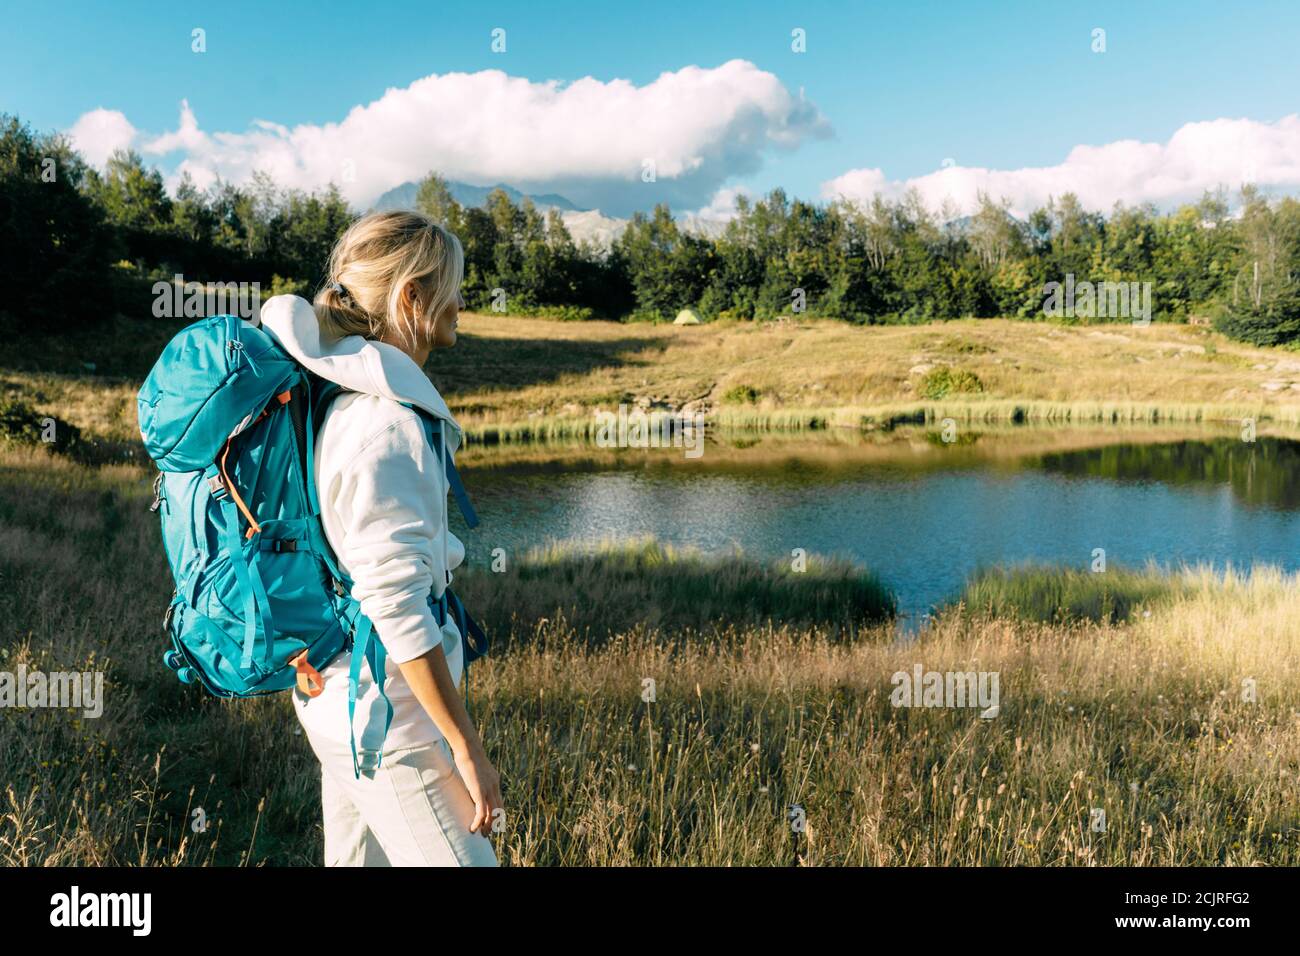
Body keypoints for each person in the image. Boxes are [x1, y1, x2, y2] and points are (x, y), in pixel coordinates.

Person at [260, 210, 502, 866]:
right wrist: (466, 747)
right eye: (451, 286)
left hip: (339, 697)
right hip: (389, 721)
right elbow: (395, 604)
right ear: (412, 299)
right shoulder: (385, 425)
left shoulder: (338, 401)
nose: (461, 303)